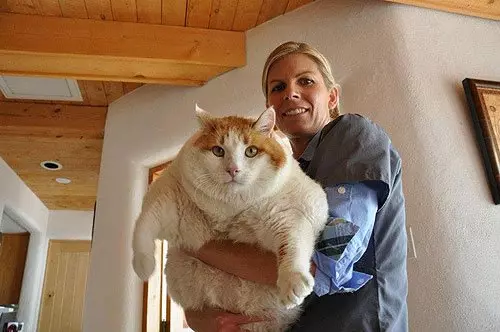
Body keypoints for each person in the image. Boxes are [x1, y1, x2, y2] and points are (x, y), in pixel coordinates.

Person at [185, 41, 408, 332]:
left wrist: (195, 241)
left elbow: (319, 267)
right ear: (270, 110)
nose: (290, 93)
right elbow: (231, 279)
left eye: (305, 81)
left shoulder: (352, 135)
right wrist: (203, 317)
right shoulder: (285, 176)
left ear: (332, 96)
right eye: (277, 88)